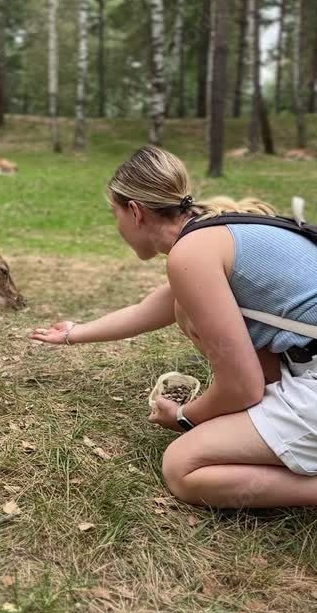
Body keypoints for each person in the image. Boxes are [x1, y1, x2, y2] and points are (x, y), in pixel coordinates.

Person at [31, 145, 317, 509]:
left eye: (114, 213)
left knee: (183, 468)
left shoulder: (190, 254)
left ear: (134, 212)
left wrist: (184, 416)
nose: (116, 224)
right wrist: (74, 332)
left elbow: (242, 387)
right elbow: (153, 307)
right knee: (186, 308)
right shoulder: (215, 230)